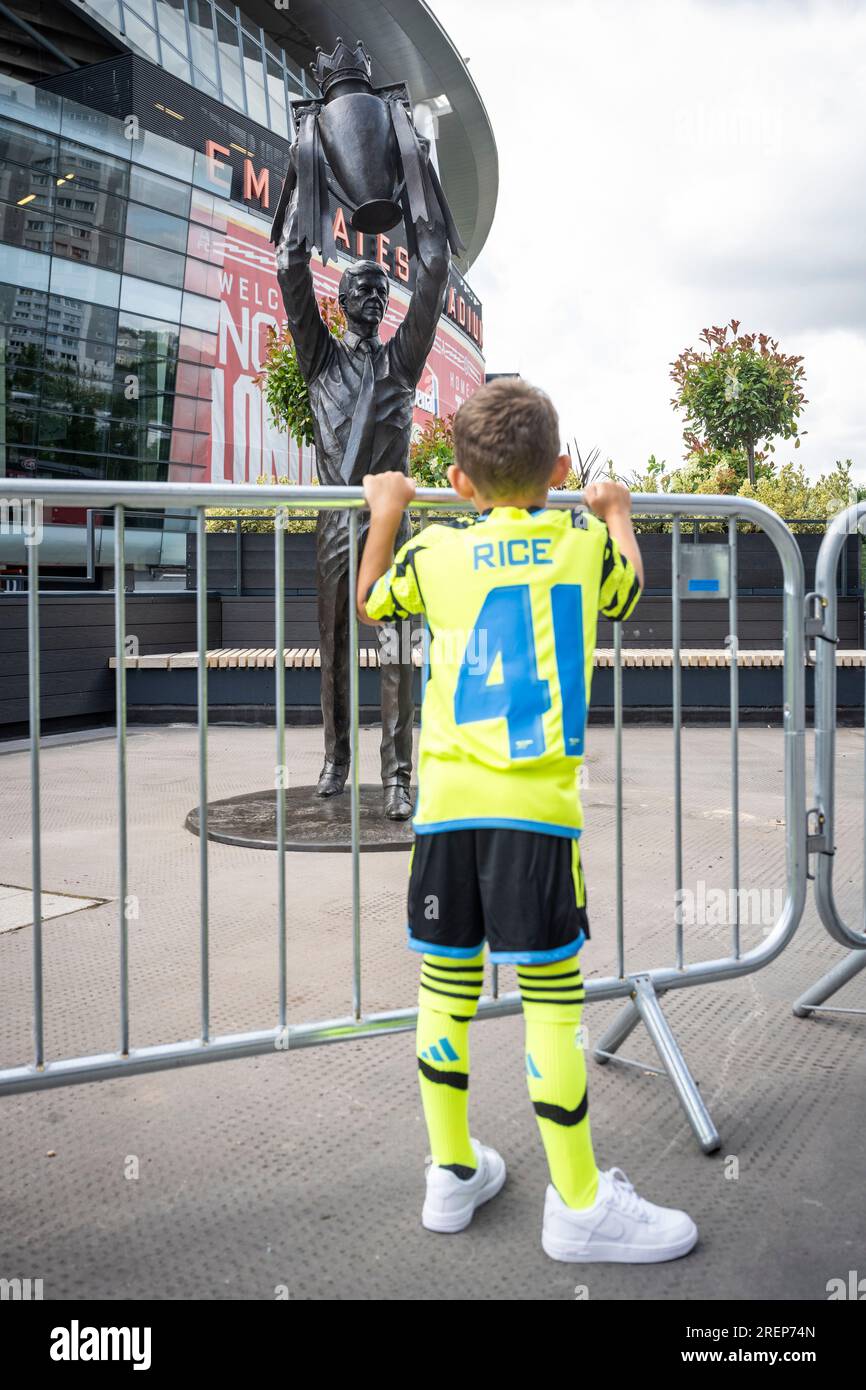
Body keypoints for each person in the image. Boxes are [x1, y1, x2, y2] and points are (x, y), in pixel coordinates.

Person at [356, 377, 698, 1263]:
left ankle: (450, 1169)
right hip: (536, 822)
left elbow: (370, 602)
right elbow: (628, 589)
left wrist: (389, 505)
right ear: (556, 469)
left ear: (459, 483)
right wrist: (617, 507)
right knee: (551, 1006)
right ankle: (578, 1203)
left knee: (445, 995)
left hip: (444, 815)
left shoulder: (431, 551)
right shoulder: (581, 540)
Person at [276, 184, 451, 820]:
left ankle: (398, 776)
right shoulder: (318, 360)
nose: (375, 296)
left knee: (399, 649)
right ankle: (335, 759)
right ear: (342, 301)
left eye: (383, 289)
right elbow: (289, 266)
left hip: (393, 526)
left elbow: (433, 277)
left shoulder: (403, 364)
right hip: (332, 527)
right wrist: (301, 174)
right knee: (334, 648)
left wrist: (419, 175)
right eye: (362, 289)